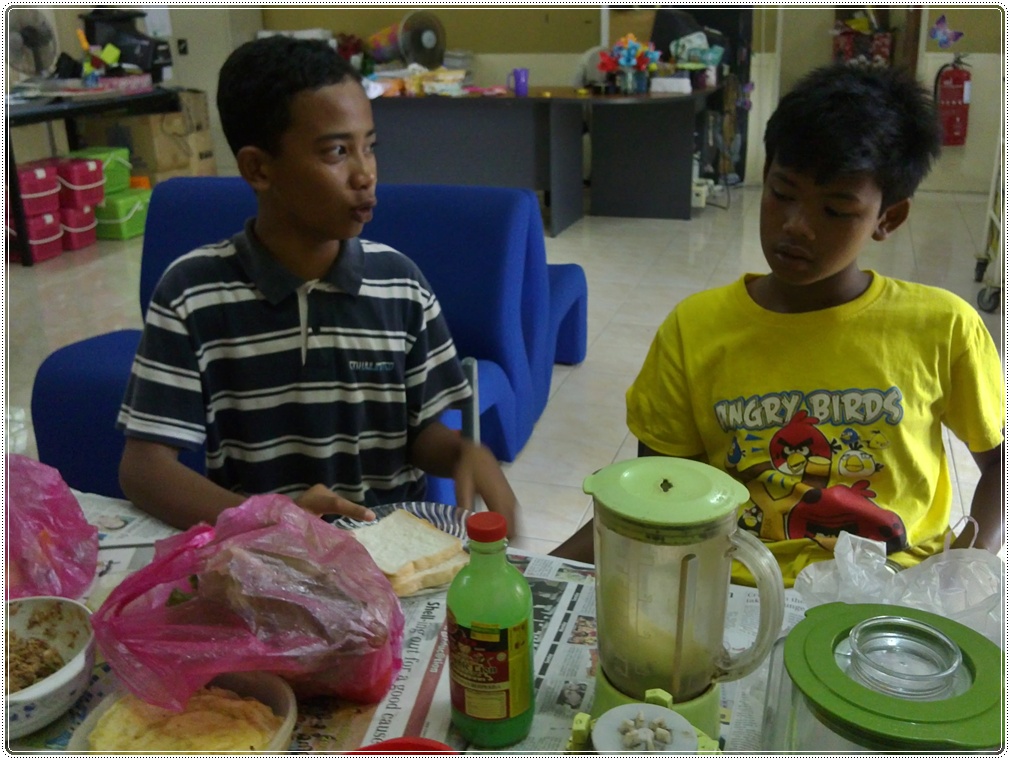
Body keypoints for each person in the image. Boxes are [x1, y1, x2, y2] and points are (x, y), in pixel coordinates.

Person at [552, 63, 1004, 585]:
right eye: (782, 193)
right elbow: (657, 493)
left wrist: (965, 566)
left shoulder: (942, 327)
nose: (796, 226)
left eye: (835, 211)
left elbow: (997, 464)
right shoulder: (695, 329)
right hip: (737, 593)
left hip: (891, 595)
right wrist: (530, 569)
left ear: (888, 218)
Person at [116, 36, 518, 534]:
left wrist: (462, 454)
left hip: (389, 550)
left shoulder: (401, 286)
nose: (365, 174)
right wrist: (268, 520)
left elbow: (419, 435)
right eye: (336, 152)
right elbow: (144, 469)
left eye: (369, 147)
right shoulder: (192, 293)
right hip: (265, 557)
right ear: (259, 168)